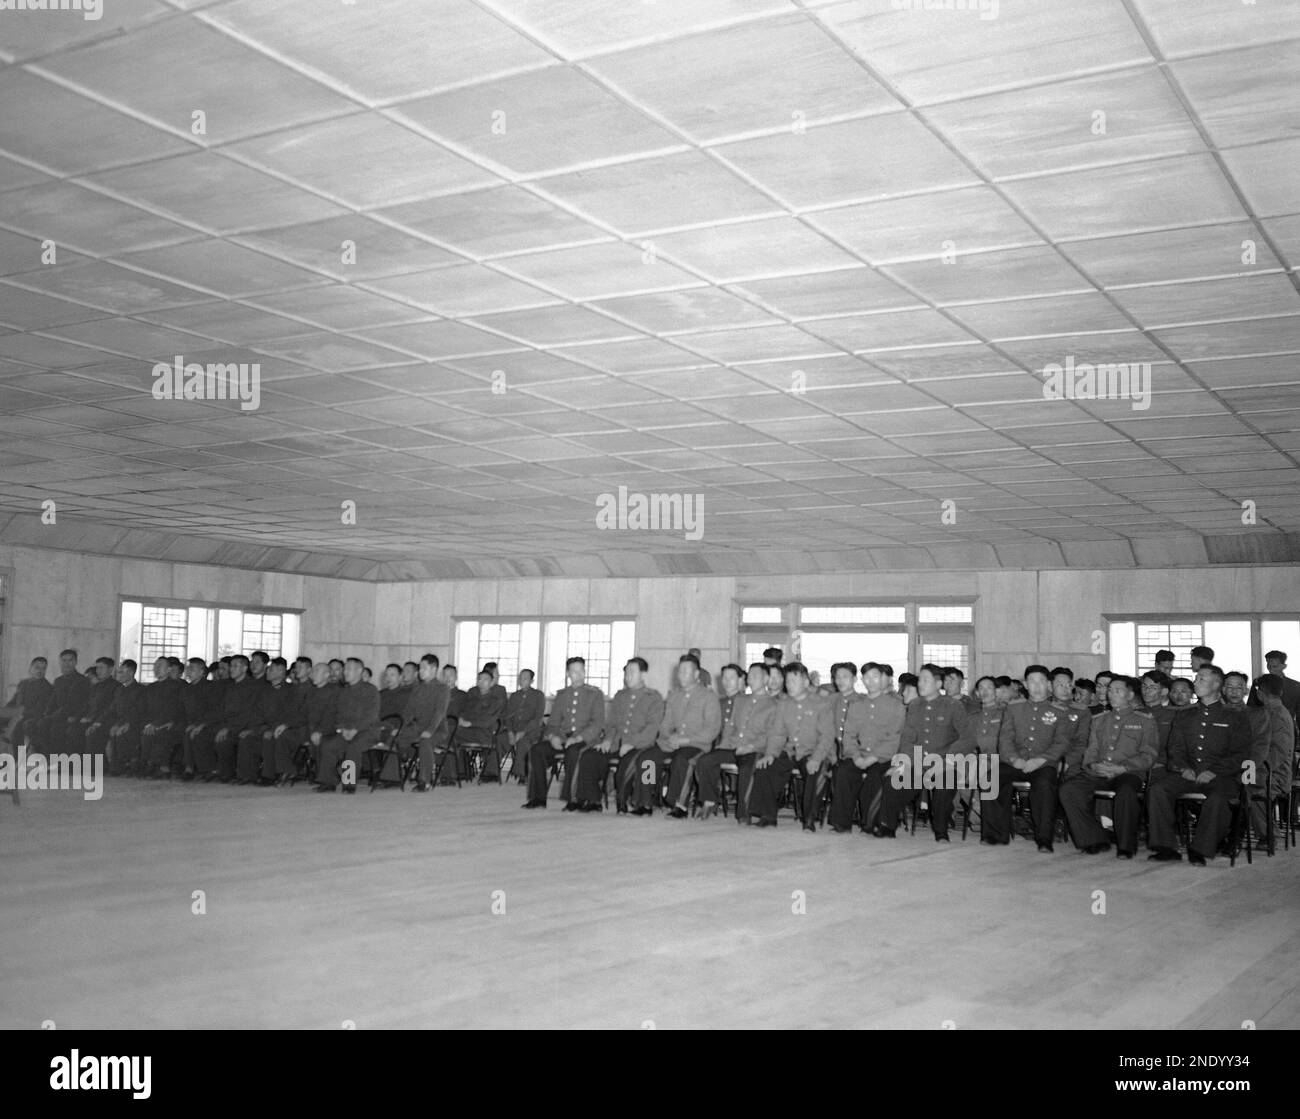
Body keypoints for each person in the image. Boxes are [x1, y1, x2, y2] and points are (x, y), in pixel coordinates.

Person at [1146, 665, 1250, 865]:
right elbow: (1174, 749)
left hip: (1220, 776)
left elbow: (1242, 754)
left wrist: (1214, 772)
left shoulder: (1235, 716)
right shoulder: (1185, 714)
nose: (1196, 683)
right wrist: (1183, 769)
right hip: (1188, 774)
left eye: (1201, 679)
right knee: (1158, 790)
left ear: (1216, 684)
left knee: (1218, 800)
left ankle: (1201, 849)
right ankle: (1166, 847)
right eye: (1196, 679)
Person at [1059, 676, 1157, 858]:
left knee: (1126, 792)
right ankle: (1093, 839)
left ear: (1130, 695)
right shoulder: (1099, 719)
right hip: (1099, 771)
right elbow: (1092, 749)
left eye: (1117, 691)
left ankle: (1126, 845)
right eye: (1110, 690)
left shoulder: (1145, 721)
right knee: (1069, 789)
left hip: (1128, 773)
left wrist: (1123, 768)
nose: (1111, 694)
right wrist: (1093, 765)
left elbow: (1149, 754)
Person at [876, 663, 970, 841]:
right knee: (893, 780)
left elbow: (967, 738)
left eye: (925, 680)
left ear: (938, 684)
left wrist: (949, 759)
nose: (920, 683)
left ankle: (941, 831)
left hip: (946, 762)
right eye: (920, 679)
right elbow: (908, 738)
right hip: (919, 762)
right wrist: (903, 763)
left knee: (945, 782)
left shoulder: (953, 705)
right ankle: (888, 826)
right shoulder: (915, 705)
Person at [982, 665, 1068, 850]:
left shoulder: (1059, 711)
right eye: (1032, 681)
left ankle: (1044, 839)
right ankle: (995, 834)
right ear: (1025, 685)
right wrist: (1015, 759)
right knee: (991, 777)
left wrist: (1039, 760)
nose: (1036, 686)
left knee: (1045, 786)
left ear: (1049, 685)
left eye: (1041, 681)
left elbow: (1061, 742)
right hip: (1016, 761)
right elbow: (1005, 738)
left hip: (1043, 763)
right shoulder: (1014, 708)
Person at [574, 657, 664, 813]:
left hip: (642, 746)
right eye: (626, 672)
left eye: (631, 672)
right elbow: (612, 724)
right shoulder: (620, 696)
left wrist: (632, 743)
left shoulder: (654, 698)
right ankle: (593, 800)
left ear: (643, 675)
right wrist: (608, 740)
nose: (627, 676)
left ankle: (636, 802)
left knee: (636, 763)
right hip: (617, 744)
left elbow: (652, 728)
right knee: (589, 756)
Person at [826, 662, 904, 834]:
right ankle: (842, 823)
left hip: (883, 757)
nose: (871, 681)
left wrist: (872, 758)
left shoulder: (896, 705)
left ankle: (870, 823)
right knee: (844, 772)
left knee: (875, 776)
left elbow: (894, 737)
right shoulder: (857, 705)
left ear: (883, 679)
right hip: (859, 755)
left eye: (875, 677)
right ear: (862, 680)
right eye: (867, 677)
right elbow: (849, 735)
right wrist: (856, 756)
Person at [752, 662, 831, 829]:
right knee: (765, 767)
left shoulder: (821, 704)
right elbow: (777, 733)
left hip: (813, 751)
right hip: (790, 752)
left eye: (794, 681)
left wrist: (816, 759)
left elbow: (827, 736)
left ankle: (809, 819)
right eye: (787, 682)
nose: (790, 685)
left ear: (806, 682)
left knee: (816, 772)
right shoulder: (784, 704)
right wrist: (770, 754)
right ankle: (768, 815)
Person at [522, 657, 604, 810]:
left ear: (585, 672)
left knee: (574, 752)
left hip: (585, 739)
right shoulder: (562, 695)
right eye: (574, 671)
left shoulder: (595, 694)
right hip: (562, 738)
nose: (578, 674)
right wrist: (552, 737)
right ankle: (538, 797)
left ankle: (573, 799)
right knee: (536, 751)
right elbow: (552, 723)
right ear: (568, 674)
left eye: (581, 671)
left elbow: (597, 724)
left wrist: (578, 738)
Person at [698, 663, 775, 820]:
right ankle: (709, 800)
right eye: (750, 676)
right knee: (705, 761)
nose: (751, 680)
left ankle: (743, 813)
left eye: (755, 676)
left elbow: (771, 734)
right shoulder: (741, 700)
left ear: (766, 679)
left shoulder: (774, 705)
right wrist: (722, 746)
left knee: (747, 769)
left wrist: (751, 746)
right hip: (732, 747)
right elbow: (730, 726)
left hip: (754, 750)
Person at [656, 655, 722, 818]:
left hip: (697, 745)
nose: (681, 675)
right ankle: (646, 796)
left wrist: (686, 740)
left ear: (696, 674)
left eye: (686, 672)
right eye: (680, 672)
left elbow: (712, 730)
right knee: (647, 759)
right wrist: (670, 736)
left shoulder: (709, 696)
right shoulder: (674, 695)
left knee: (682, 760)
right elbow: (665, 724)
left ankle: (680, 805)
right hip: (672, 743)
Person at [317, 658, 381, 794]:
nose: (345, 672)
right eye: (345, 669)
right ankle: (328, 782)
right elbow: (337, 714)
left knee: (353, 748)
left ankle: (348, 783)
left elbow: (371, 716)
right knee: (328, 746)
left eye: (348, 669)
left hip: (367, 731)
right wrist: (341, 729)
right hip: (345, 731)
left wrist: (355, 730)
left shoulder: (371, 690)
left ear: (359, 671)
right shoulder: (343, 691)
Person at [395, 654, 451, 792]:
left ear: (434, 669)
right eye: (420, 668)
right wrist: (400, 727)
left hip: (437, 729)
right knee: (395, 736)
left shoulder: (442, 688)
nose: (420, 671)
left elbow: (440, 712)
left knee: (426, 742)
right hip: (418, 727)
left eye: (423, 668)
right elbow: (409, 712)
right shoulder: (418, 688)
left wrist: (430, 730)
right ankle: (400, 767)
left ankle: (424, 781)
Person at [458, 669, 506, 780]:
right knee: (451, 735)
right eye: (479, 679)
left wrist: (470, 723)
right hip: (468, 731)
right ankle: (461, 771)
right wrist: (461, 719)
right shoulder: (472, 698)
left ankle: (489, 773)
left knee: (492, 741)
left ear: (492, 683)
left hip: (485, 733)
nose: (481, 682)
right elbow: (464, 712)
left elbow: (488, 721)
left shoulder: (496, 700)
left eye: (485, 679)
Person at [1048, 666, 1092, 780]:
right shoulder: (1042, 708)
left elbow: (1082, 744)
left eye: (1068, 684)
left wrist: (1067, 762)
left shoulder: (1082, 711)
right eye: (1060, 685)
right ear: (1050, 686)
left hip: (1070, 762)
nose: (1065, 688)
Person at [501, 669, 545, 783]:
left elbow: (538, 718)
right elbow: (508, 717)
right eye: (520, 677)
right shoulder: (514, 696)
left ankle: (522, 774)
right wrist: (510, 732)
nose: (522, 680)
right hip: (515, 729)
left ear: (532, 681)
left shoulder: (538, 695)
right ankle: (491, 772)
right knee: (499, 739)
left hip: (532, 729)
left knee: (523, 742)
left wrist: (523, 732)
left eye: (525, 678)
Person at [2, 656, 53, 748]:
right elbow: (13, 701)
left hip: (32, 715)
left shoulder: (47, 687)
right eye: (37, 667)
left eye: (43, 668)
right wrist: (5, 710)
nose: (40, 671)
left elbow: (40, 709)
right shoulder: (23, 683)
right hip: (17, 712)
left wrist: (21, 714)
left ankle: (18, 758)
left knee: (18, 724)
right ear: (31, 668)